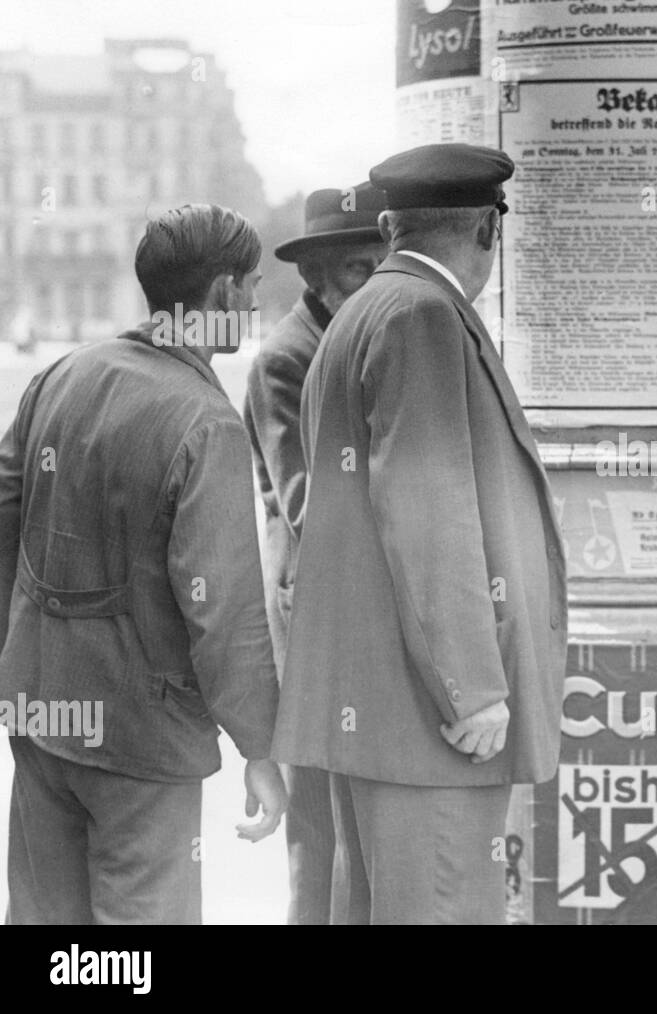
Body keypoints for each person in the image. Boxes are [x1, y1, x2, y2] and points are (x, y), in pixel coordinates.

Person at [272, 143, 568, 924]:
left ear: (392, 227)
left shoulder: (364, 313)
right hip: (428, 724)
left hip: (380, 714)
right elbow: (428, 513)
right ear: (487, 228)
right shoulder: (423, 315)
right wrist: (472, 688)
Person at [0, 204, 286, 924]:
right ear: (222, 292)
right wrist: (260, 748)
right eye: (252, 285)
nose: (255, 302)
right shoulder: (206, 423)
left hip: (41, 713)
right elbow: (223, 613)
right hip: (141, 741)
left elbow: (5, 519)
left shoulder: (62, 375)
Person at [242, 183, 387, 925]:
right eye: (361, 269)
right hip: (313, 623)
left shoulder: (359, 341)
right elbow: (306, 504)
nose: (377, 281)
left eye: (382, 263)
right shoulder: (285, 360)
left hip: (357, 614)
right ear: (315, 277)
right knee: (319, 827)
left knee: (363, 830)